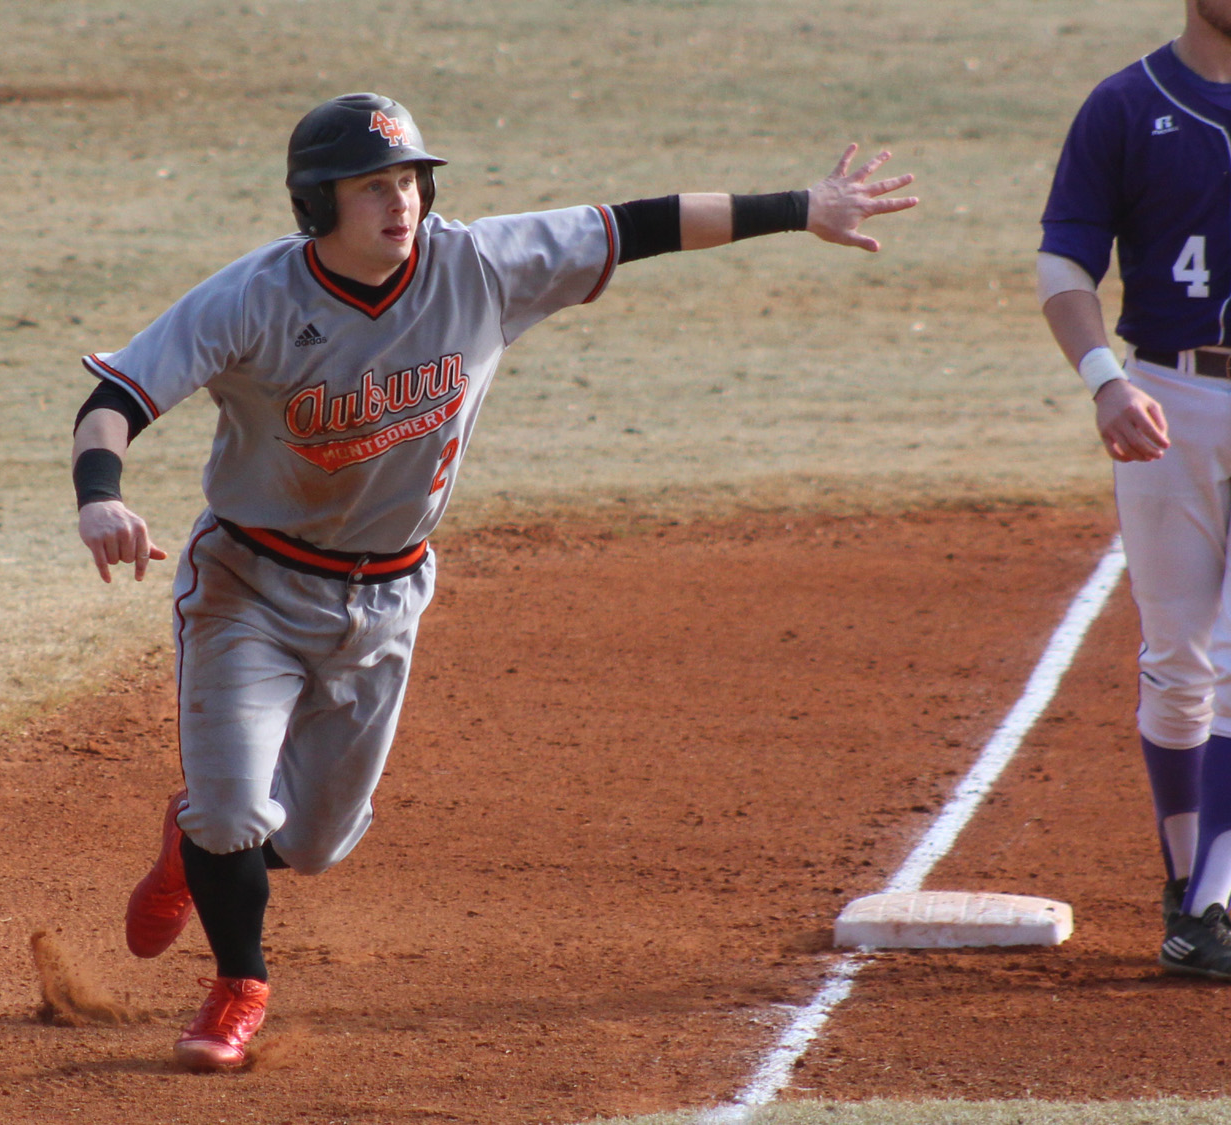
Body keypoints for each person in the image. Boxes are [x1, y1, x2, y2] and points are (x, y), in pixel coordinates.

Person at [71, 92, 917, 1070]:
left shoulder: (477, 267)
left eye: (408, 182)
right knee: (231, 807)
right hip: (247, 591)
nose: (399, 204)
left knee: (310, 842)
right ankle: (237, 985)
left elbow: (634, 224)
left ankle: (197, 851)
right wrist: (101, 496)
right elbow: (116, 397)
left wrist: (801, 207)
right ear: (316, 204)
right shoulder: (251, 299)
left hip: (385, 600)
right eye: (370, 187)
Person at [1038, 0, 1231, 979]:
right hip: (1163, 394)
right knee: (1174, 667)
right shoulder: (1123, 105)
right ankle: (1186, 876)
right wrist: (1101, 380)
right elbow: (1062, 261)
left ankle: (1208, 906)